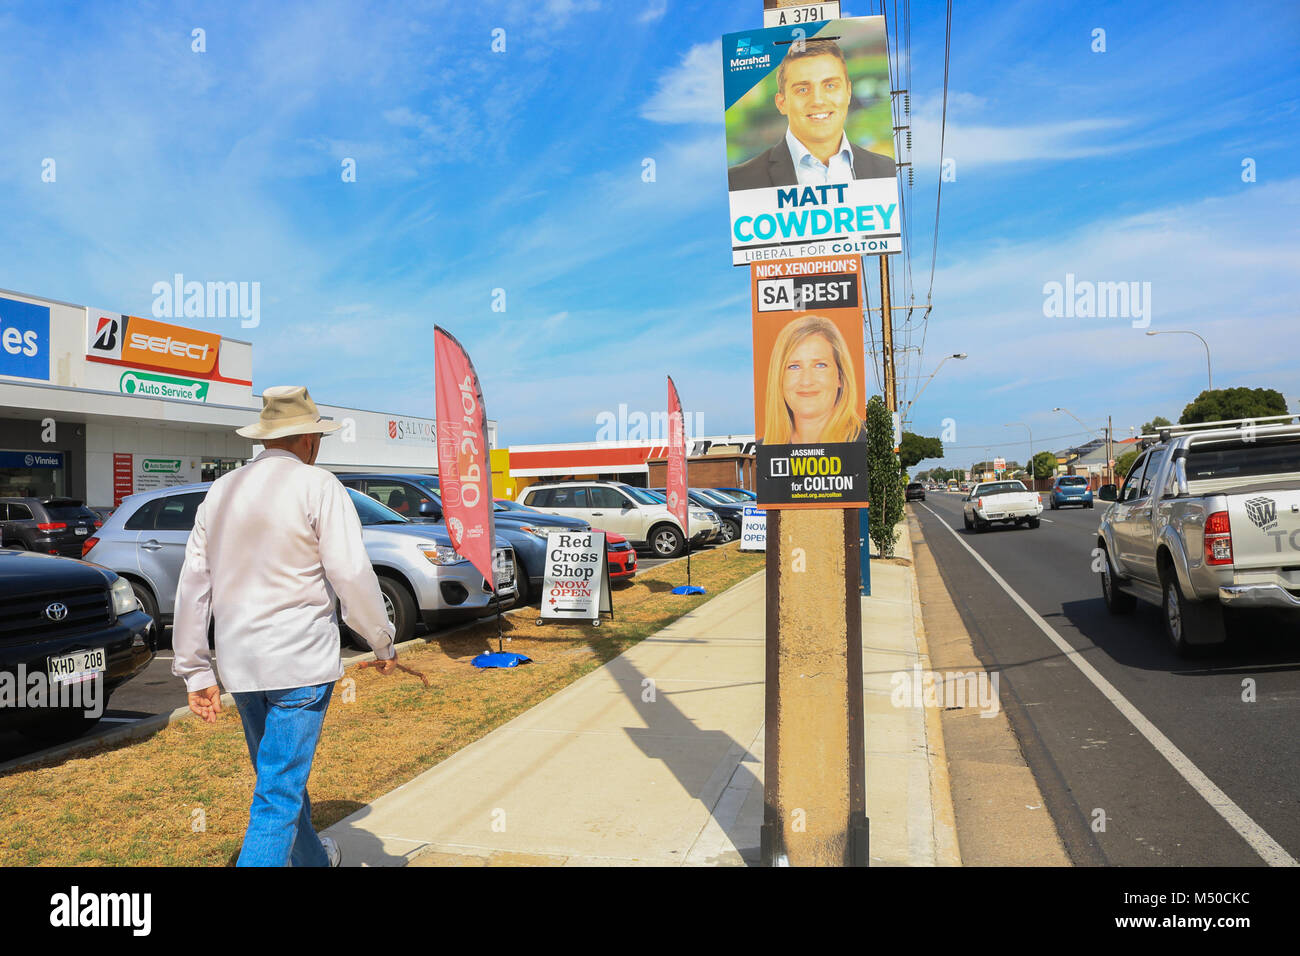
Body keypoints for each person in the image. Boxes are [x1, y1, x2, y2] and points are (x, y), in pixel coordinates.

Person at [172, 385, 399, 867]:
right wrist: (381, 642)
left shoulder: (220, 490)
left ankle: (314, 860)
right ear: (309, 441)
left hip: (241, 663)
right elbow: (352, 573)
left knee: (278, 779)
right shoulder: (319, 485)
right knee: (277, 792)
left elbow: (194, 582)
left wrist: (196, 670)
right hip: (300, 661)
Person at [728, 38, 895, 190]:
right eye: (802, 89)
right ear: (781, 103)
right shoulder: (740, 182)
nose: (818, 100)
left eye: (830, 86)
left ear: (848, 92)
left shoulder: (887, 170)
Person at [762, 314, 867, 444]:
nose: (806, 381)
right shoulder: (765, 450)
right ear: (779, 378)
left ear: (840, 377)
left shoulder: (867, 443)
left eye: (820, 365)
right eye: (794, 366)